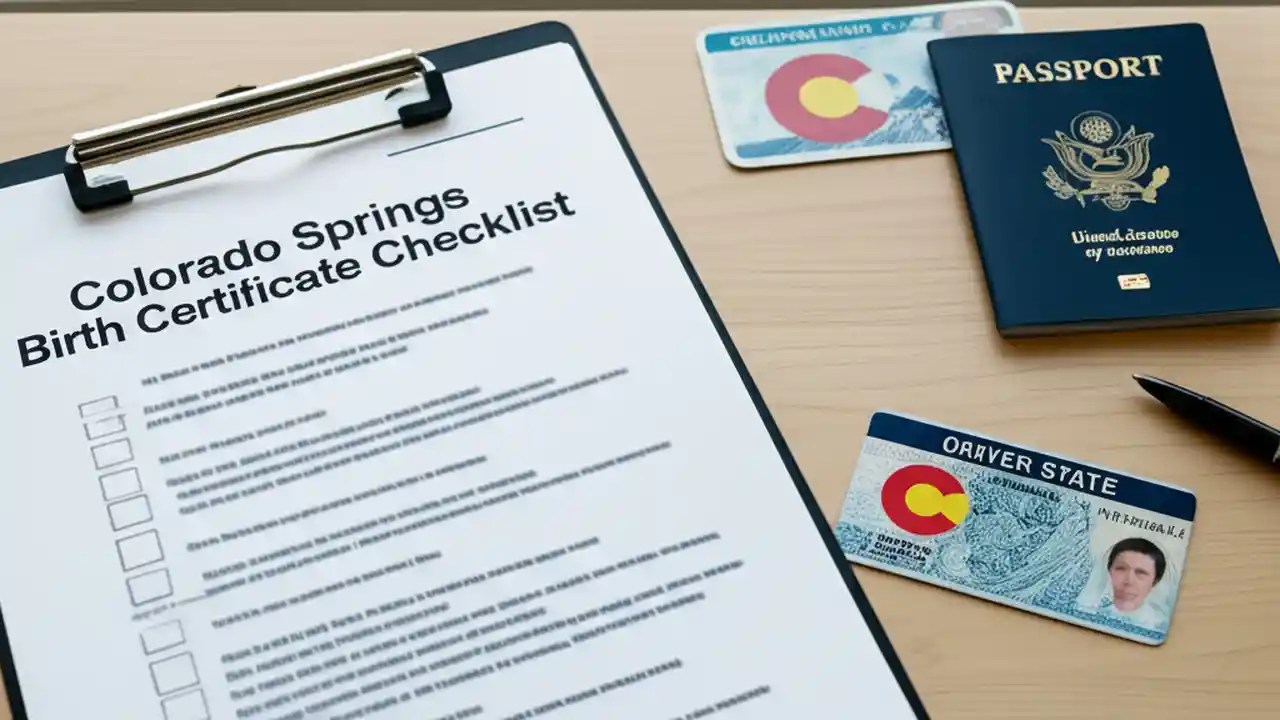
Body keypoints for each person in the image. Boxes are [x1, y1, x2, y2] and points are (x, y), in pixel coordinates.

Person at [1106, 538, 1166, 614]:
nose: (1129, 581)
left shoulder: (1158, 622)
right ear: (1110, 571)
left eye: (1141, 573)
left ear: (1155, 581)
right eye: (1121, 569)